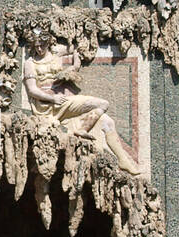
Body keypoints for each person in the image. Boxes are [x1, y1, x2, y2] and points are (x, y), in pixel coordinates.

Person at [22, 26, 141, 174]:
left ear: (48, 43)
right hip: (47, 107)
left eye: (42, 45)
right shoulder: (30, 63)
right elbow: (32, 90)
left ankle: (122, 159)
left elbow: (75, 48)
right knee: (103, 104)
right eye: (36, 46)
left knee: (107, 120)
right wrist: (53, 98)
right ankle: (82, 129)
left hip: (64, 102)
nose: (39, 49)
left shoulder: (56, 52)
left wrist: (75, 66)